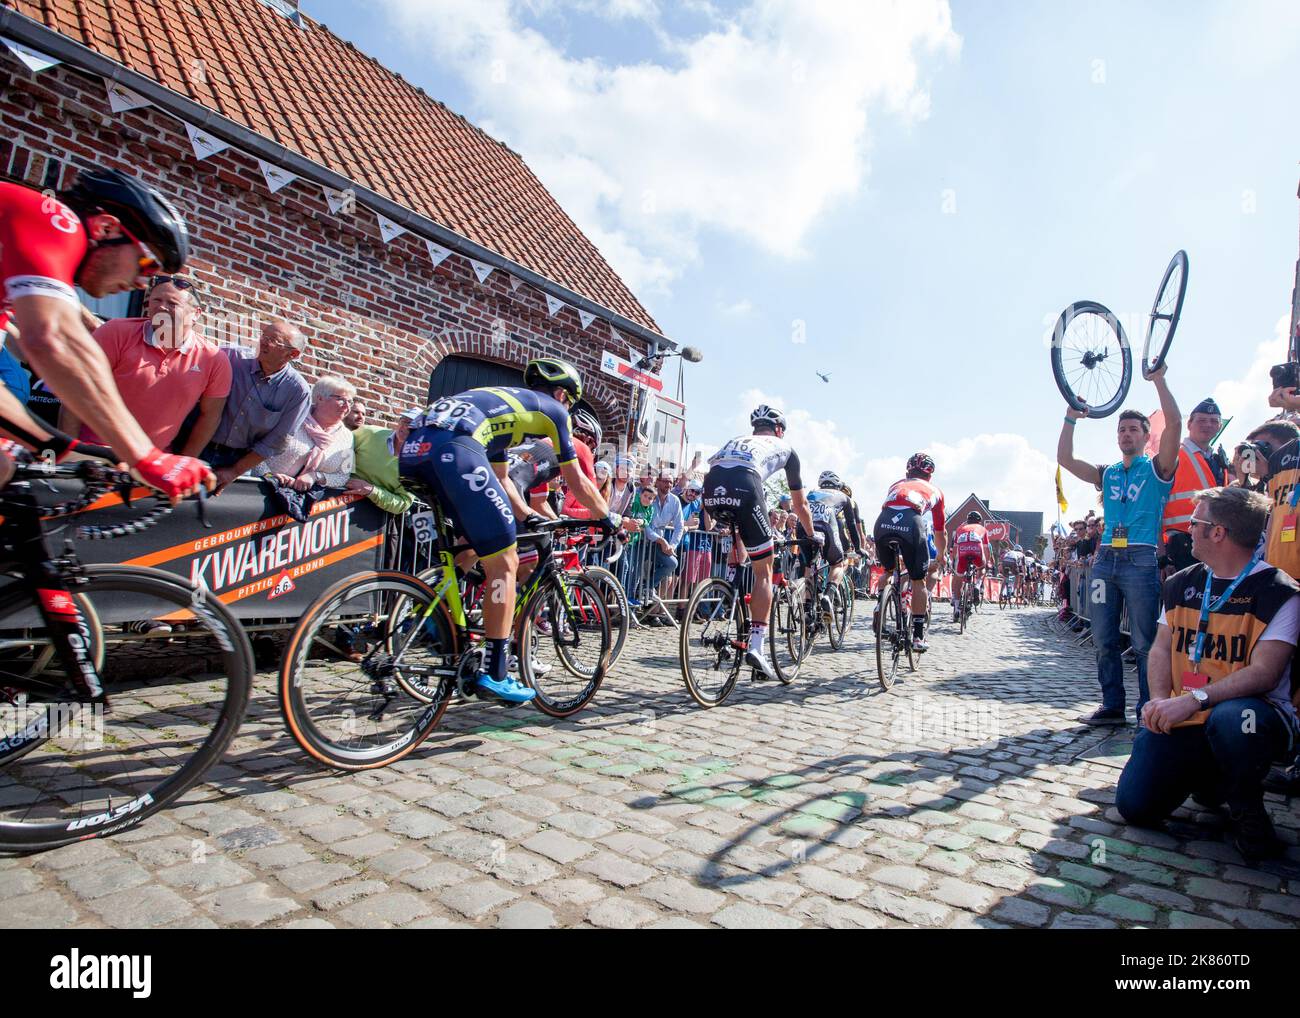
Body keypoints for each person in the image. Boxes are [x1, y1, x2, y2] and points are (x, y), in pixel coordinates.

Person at [398, 356, 616, 703]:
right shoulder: (554, 412)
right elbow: (575, 480)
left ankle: (422, 620)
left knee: (466, 548)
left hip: (414, 451)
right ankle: (496, 672)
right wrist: (607, 517)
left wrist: (527, 515)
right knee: (505, 563)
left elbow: (502, 479)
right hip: (456, 450)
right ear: (562, 395)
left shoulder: (503, 410)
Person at [0, 166, 211, 499]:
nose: (144, 283)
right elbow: (56, 341)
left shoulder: (13, 284)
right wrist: (146, 456)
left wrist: (78, 452)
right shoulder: (56, 221)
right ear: (107, 227)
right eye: (147, 264)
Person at [1115, 487, 1299, 861]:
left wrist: (1194, 699)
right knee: (1135, 806)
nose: (1187, 529)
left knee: (1233, 719)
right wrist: (1158, 700)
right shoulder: (1181, 583)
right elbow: (1162, 647)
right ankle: (1210, 780)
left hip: (1253, 716)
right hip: (1188, 714)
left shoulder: (1279, 592)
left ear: (1218, 532)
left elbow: (1265, 673)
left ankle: (1248, 808)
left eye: (1195, 522)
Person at [1057, 364, 1182, 725]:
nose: (1126, 435)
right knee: (1103, 637)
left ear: (1146, 436)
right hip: (1105, 562)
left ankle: (1148, 707)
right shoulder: (1108, 472)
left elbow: (1174, 423)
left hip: (1141, 559)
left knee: (1143, 641)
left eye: (1133, 430)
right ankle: (1112, 706)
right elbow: (1066, 460)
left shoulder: (1158, 467)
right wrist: (1070, 418)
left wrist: (1158, 380)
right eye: (1121, 430)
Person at [702, 404, 816, 679]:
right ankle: (756, 645)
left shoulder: (737, 440)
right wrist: (811, 535)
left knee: (742, 541)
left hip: (711, 486)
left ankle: (731, 590)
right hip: (745, 484)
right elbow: (799, 505)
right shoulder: (786, 448)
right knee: (763, 571)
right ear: (779, 430)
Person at [63, 275, 231, 457]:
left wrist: (184, 463)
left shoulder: (214, 359)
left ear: (196, 314)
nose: (161, 307)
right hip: (95, 451)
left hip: (152, 462)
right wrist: (69, 448)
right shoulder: (117, 332)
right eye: (156, 300)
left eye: (172, 303)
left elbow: (210, 417)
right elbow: (78, 388)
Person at [203, 320, 311, 493]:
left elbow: (277, 440)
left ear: (293, 354)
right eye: (264, 335)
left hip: (235, 461)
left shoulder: (298, 392)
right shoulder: (230, 357)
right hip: (195, 444)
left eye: (274, 340)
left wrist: (234, 471)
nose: (263, 341)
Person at [873, 452, 946, 652]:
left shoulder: (896, 485)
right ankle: (918, 636)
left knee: (889, 572)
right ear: (930, 475)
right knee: (918, 581)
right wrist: (941, 555)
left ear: (907, 471)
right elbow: (940, 531)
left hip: (882, 523)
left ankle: (880, 604)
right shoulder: (936, 491)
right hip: (912, 524)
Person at [1161, 397, 1228, 572]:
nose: (1208, 425)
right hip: (1181, 547)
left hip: (1215, 544)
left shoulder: (1218, 459)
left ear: (1219, 426)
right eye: (1202, 420)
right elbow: (1154, 507)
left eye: (1214, 421)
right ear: (1189, 423)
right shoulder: (1174, 455)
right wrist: (1161, 556)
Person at [256, 375, 357, 491]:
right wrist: (269, 476)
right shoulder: (292, 418)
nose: (347, 406)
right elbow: (254, 449)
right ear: (320, 398)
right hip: (263, 491)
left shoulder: (348, 437)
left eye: (350, 402)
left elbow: (343, 476)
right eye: (341, 399)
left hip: (304, 504)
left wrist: (315, 476)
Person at [801, 470, 863, 612]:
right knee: (838, 564)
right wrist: (858, 548)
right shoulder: (844, 496)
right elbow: (852, 526)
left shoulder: (811, 493)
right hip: (827, 524)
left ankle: (807, 610)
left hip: (804, 525)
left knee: (809, 568)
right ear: (838, 485)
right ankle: (828, 595)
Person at [347, 410, 415, 515]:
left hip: (371, 520)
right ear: (399, 422)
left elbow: (403, 503)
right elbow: (337, 449)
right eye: (405, 421)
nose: (406, 427)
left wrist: (371, 491)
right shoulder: (368, 433)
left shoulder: (415, 465)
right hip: (335, 504)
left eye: (413, 425)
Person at [952, 510, 993, 620]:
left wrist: (954, 562)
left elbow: (955, 550)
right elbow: (986, 549)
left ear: (967, 520)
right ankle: (977, 585)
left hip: (962, 551)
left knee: (959, 579)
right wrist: (986, 562)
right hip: (976, 551)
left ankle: (956, 608)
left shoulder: (960, 529)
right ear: (979, 521)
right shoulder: (983, 529)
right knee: (982, 568)